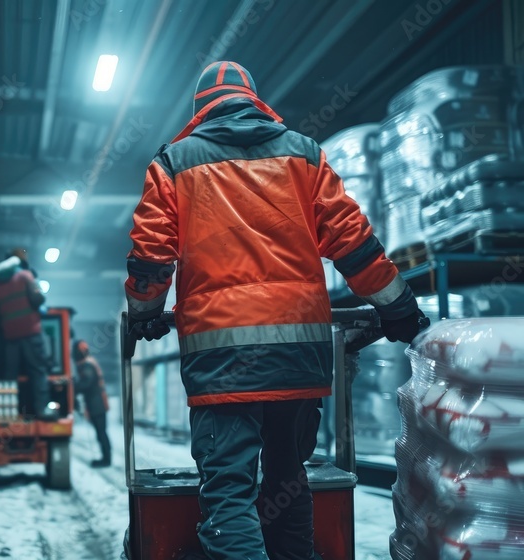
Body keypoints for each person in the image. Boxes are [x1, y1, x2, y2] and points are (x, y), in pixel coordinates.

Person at [124, 61, 424, 560]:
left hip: (221, 362)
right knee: (288, 482)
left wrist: (145, 315)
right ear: (254, 100)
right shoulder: (304, 154)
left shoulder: (174, 163)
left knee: (229, 496)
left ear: (200, 110)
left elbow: (151, 256)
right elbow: (353, 243)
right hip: (299, 357)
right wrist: (398, 307)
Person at [0, 252, 56, 421]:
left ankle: (7, 412)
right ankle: (42, 410)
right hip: (31, 333)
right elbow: (38, 298)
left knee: (10, 374)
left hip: (10, 337)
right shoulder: (25, 276)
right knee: (38, 371)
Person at [72, 340, 111, 468]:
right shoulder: (88, 363)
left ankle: (106, 459)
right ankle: (105, 458)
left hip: (97, 405)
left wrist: (73, 387)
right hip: (96, 403)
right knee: (101, 432)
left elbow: (87, 383)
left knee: (101, 433)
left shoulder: (87, 365)